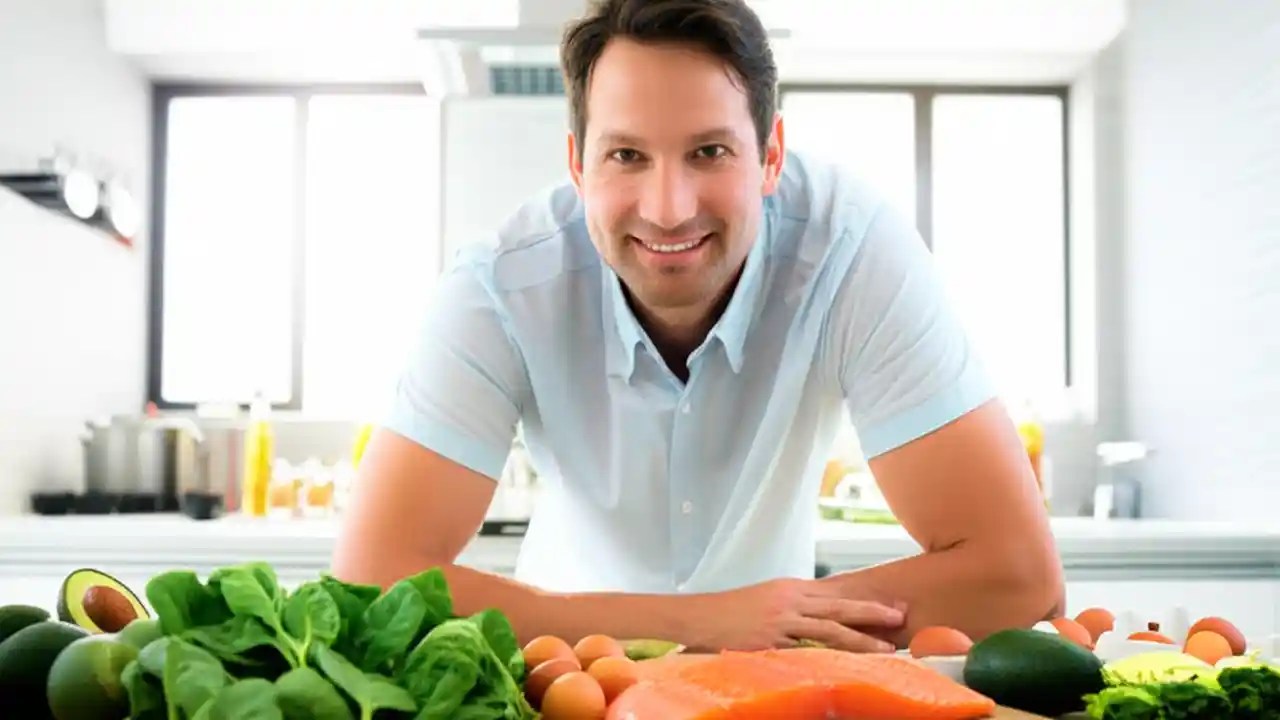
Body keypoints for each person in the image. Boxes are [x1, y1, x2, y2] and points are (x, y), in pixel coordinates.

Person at [332, 0, 1064, 653]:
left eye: (709, 152)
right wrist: (698, 624)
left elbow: (1019, 575)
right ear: (578, 167)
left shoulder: (851, 250)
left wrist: (771, 623)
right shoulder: (501, 285)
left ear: (770, 156)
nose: (669, 207)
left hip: (775, 677)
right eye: (626, 155)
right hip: (567, 672)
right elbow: (370, 582)